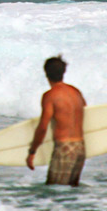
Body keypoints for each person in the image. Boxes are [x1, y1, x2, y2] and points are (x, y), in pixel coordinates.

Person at [26, 55, 87, 186]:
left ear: (46, 73)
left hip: (64, 148)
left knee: (55, 192)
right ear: (63, 72)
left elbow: (43, 127)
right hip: (80, 148)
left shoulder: (50, 96)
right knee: (72, 191)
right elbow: (86, 112)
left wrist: (32, 152)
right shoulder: (76, 92)